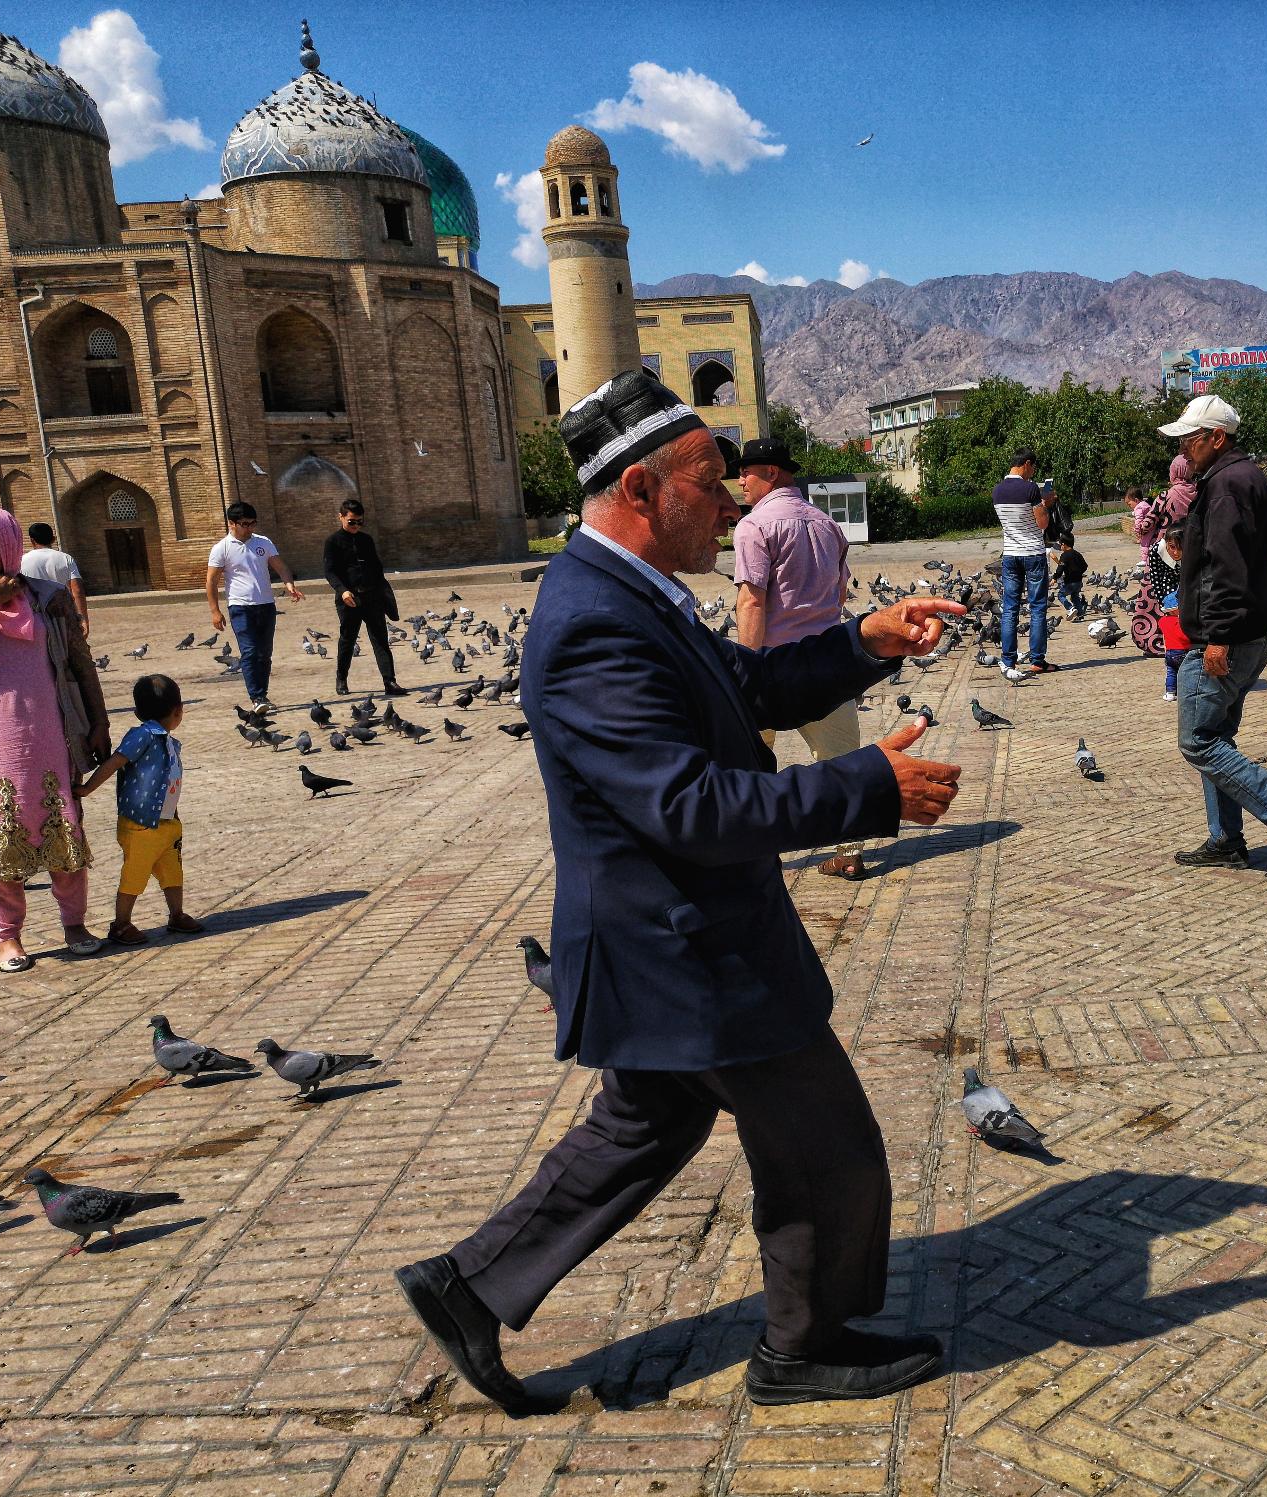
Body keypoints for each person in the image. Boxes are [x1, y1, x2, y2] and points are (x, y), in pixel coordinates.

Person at [395, 369, 966, 1418]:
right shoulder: (589, 622)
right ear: (642, 490)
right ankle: (804, 1346)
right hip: (687, 948)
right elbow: (687, 804)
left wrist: (862, 644)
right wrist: (864, 787)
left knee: (644, 1127)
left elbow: (737, 691)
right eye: (711, 486)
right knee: (826, 1149)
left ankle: (469, 1287)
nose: (735, 505)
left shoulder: (629, 594)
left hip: (670, 940)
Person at [1158, 395, 1267, 879]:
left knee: (1199, 741)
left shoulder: (1227, 485)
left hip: (1223, 636)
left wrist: (1216, 638)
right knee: (1217, 735)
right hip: (1248, 631)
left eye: (1191, 438)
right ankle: (1227, 839)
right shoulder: (1240, 477)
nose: (1185, 449)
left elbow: (1225, 570)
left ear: (1217, 437)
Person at [0, 507, 109, 972]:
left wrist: (98, 722)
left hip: (50, 732)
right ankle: (8, 937)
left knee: (63, 825)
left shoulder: (49, 596)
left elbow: (80, 663)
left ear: (8, 544)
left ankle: (75, 925)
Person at [732, 434, 868, 880]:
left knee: (749, 761)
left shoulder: (755, 527)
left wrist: (745, 669)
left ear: (771, 474)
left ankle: (753, 852)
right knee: (840, 759)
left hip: (773, 663)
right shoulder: (828, 525)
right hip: (827, 661)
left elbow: (752, 602)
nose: (740, 481)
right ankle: (847, 850)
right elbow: (841, 591)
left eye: (746, 472)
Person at [74, 673, 203, 945]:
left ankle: (176, 914)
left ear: (136, 711)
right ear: (179, 711)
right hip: (141, 824)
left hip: (167, 823)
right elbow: (114, 762)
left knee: (173, 872)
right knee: (135, 874)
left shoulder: (167, 741)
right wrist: (87, 788)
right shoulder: (142, 736)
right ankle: (120, 924)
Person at [206, 503, 301, 711]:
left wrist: (289, 585)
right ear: (232, 524)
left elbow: (281, 567)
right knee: (249, 652)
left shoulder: (263, 543)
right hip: (240, 607)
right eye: (244, 524)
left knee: (264, 653)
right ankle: (256, 697)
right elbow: (211, 581)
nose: (249, 528)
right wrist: (215, 611)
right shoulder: (222, 548)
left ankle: (263, 695)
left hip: (266, 605)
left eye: (252, 523)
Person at [321, 500, 402, 696]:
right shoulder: (333, 542)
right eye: (351, 522)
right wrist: (342, 590)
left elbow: (377, 567)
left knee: (381, 639)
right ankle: (342, 679)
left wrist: (381, 592)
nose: (356, 526)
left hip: (372, 597)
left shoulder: (367, 540)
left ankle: (389, 681)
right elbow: (330, 571)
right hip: (349, 599)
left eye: (359, 522)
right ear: (341, 517)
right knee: (348, 640)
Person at [992, 449, 1051, 681]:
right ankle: (1037, 660)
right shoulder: (1030, 488)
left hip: (1010, 554)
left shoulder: (997, 491)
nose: (1033, 472)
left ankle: (1008, 659)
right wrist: (1046, 503)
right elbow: (1042, 522)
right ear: (1026, 464)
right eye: (1033, 467)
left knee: (1010, 608)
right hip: (1033, 553)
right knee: (1037, 607)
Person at [1130, 454, 1196, 653]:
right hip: (1191, 549)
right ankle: (1188, 638)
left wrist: (1140, 529)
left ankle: (1157, 642)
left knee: (1157, 597)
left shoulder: (1165, 496)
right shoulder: (1199, 493)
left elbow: (1146, 524)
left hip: (1165, 551)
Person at [19, 523, 90, 642]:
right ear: (53, 539)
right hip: (65, 616)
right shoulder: (65, 558)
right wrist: (83, 619)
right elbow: (77, 590)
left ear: (32, 540)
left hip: (36, 619)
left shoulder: (22, 561)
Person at [1145, 528, 1186, 700]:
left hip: (1187, 588)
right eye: (1172, 547)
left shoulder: (1194, 549)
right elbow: (1156, 579)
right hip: (1167, 590)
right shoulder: (1156, 551)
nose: (1176, 552)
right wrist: (1165, 603)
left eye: (1180, 548)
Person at [1054, 536, 1088, 620]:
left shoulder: (1064, 556)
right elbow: (1085, 566)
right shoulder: (1077, 554)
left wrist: (1055, 578)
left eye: (1060, 545)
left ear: (1064, 544)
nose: (1060, 547)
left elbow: (1060, 569)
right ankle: (1080, 614)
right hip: (1078, 581)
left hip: (1069, 581)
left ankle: (1070, 608)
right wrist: (1078, 573)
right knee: (1075, 596)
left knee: (1060, 595)